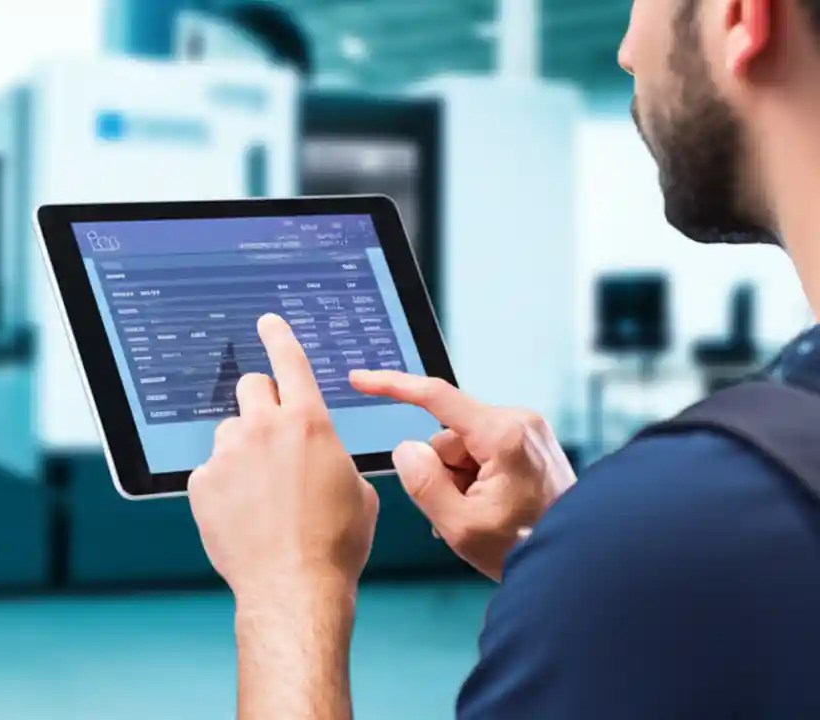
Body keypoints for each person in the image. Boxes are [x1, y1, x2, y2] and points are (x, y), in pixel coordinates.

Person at [187, 0, 820, 717]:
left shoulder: (675, 536)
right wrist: (573, 546)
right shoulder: (676, 544)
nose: (625, 50)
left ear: (742, 15)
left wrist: (288, 590)